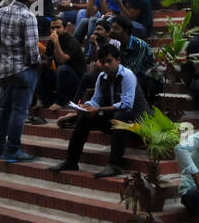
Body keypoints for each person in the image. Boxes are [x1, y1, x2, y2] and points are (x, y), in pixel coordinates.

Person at [49, 44, 147, 177]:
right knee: (84, 118)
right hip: (115, 120)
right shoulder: (102, 77)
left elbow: (126, 104)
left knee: (121, 114)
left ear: (118, 60)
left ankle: (114, 165)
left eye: (109, 61)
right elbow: (96, 99)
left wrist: (98, 109)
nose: (106, 65)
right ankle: (71, 161)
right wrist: (87, 106)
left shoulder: (127, 75)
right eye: (102, 62)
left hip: (136, 122)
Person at [0, 0, 41, 163]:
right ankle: (13, 150)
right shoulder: (28, 17)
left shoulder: (0, 12)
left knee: (5, 110)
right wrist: (37, 63)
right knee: (19, 111)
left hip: (4, 69)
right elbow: (32, 49)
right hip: (22, 69)